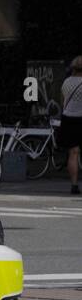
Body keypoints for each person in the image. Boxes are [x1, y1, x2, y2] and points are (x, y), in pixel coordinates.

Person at [61, 55, 82, 195]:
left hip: (69, 119)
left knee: (73, 153)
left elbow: (62, 100)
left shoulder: (66, 82)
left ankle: (74, 184)